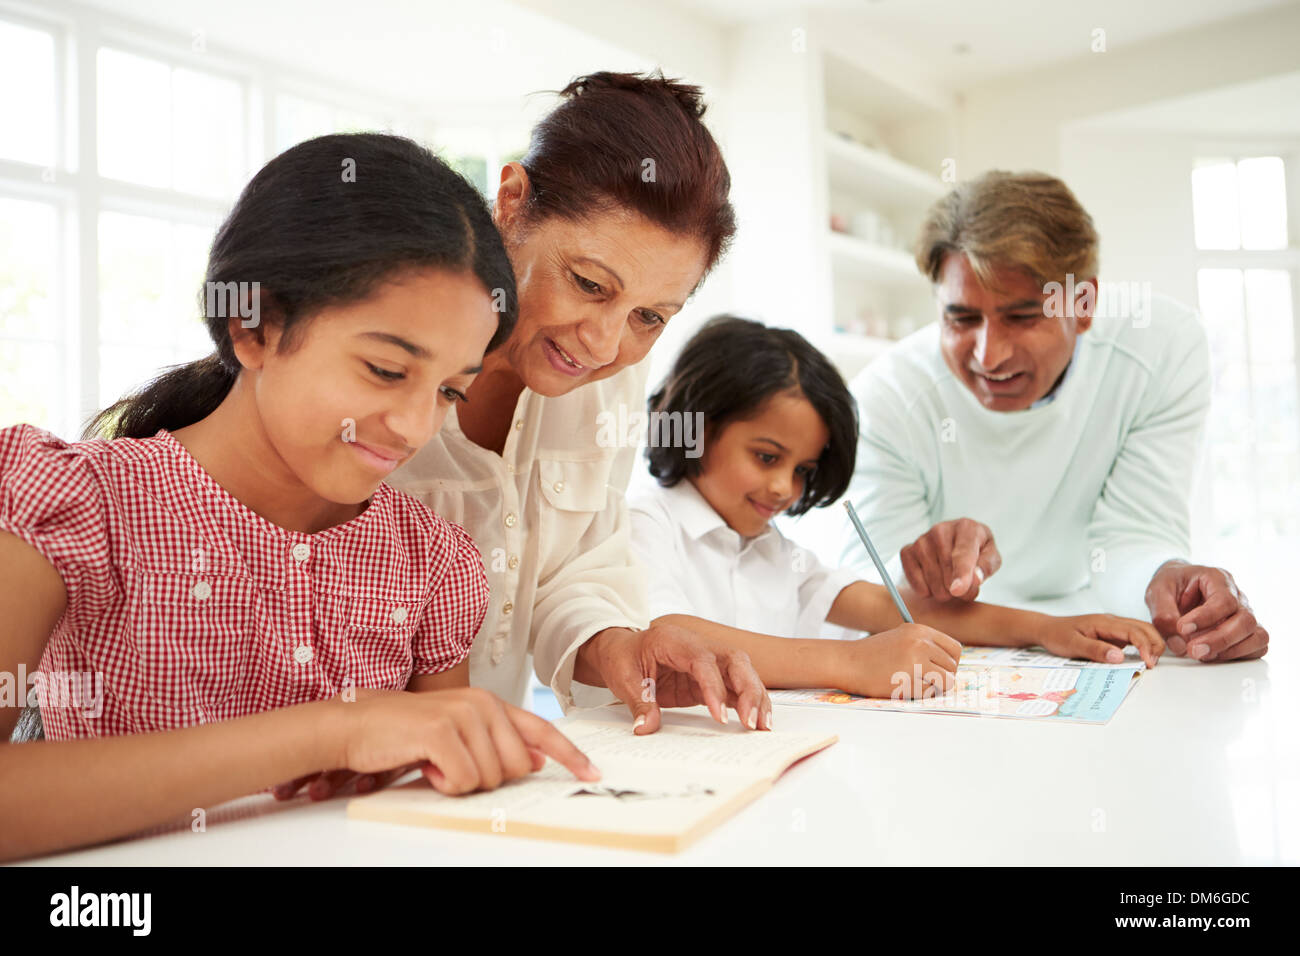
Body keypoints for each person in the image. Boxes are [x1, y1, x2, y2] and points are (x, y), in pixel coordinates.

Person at [0, 133, 599, 862]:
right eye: (385, 369)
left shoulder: (434, 561)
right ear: (253, 326)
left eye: (449, 391)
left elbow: (438, 813)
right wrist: (331, 731)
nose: (416, 427)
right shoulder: (71, 500)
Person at [389, 72, 770, 740]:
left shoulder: (607, 369)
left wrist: (616, 645)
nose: (603, 342)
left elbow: (572, 570)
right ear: (511, 202)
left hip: (483, 765)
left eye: (650, 315)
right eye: (589, 284)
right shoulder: (382, 344)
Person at [838, 171, 1267, 663]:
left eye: (1022, 318)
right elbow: (867, 595)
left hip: (1082, 629)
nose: (989, 355)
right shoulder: (886, 397)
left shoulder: (1163, 350)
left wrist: (1163, 577)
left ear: (1084, 305)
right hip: (957, 646)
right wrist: (914, 569)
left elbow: (1134, 532)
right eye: (961, 319)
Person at [628, 316, 1164, 699]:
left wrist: (1046, 628)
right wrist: (849, 663)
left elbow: (891, 608)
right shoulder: (644, 521)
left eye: (803, 471)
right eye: (767, 456)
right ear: (698, 426)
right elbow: (673, 634)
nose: (783, 488)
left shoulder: (774, 551)